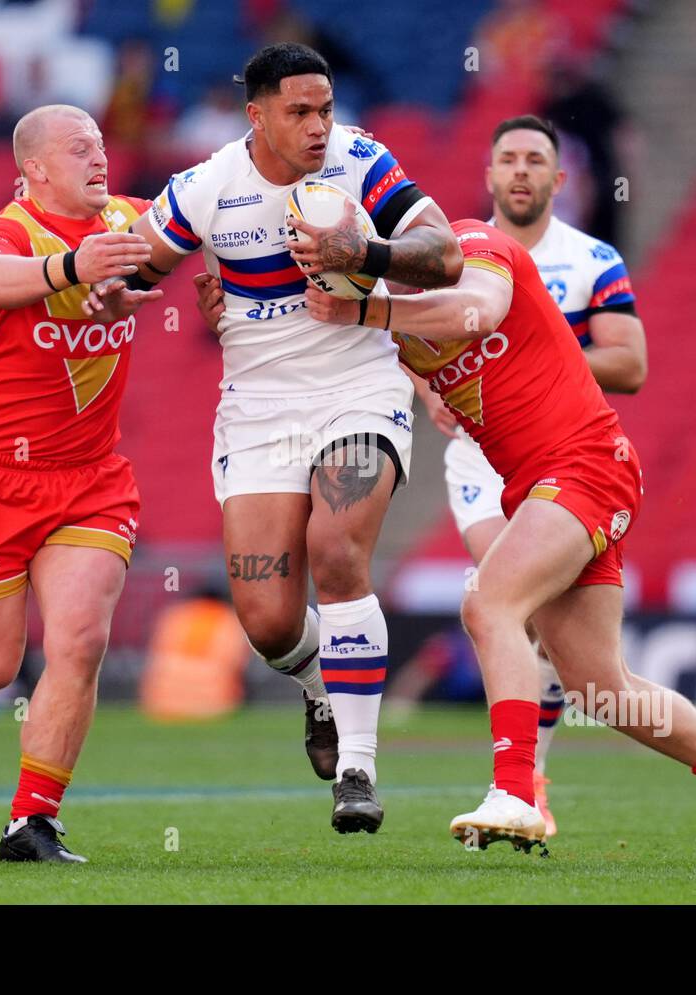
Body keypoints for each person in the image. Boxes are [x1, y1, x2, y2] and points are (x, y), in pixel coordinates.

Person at [305, 221, 696, 867]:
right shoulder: (393, 322)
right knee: (599, 686)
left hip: (582, 465)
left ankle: (516, 791)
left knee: (487, 604)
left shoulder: (475, 244)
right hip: (547, 481)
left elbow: (479, 309)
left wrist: (368, 309)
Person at [91, 43, 463, 833]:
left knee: (336, 552)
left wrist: (364, 253)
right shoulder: (208, 186)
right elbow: (132, 277)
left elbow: (447, 256)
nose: (320, 127)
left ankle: (359, 770)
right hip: (258, 408)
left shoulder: (361, 161)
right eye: (300, 112)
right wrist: (90, 290)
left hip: (358, 390)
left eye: (325, 109)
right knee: (264, 619)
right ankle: (321, 685)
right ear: (255, 115)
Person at [0, 104, 160, 863]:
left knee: (80, 639)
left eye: (101, 145)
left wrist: (215, 287)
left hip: (91, 480)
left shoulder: (128, 218)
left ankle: (32, 822)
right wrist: (72, 269)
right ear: (36, 171)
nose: (98, 157)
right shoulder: (13, 229)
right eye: (78, 148)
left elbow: (203, 228)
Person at [413, 114, 647, 838]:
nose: (520, 170)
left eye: (534, 159)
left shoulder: (590, 258)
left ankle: (523, 783)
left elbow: (631, 364)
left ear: (558, 178)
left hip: (560, 450)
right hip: (482, 465)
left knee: (517, 615)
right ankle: (524, 786)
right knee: (509, 607)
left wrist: (537, 355)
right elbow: (417, 344)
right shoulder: (458, 254)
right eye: (507, 158)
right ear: (489, 176)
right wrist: (433, 391)